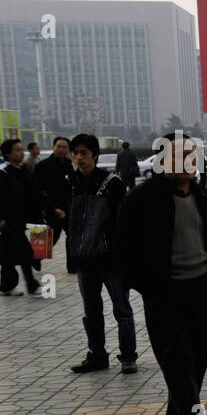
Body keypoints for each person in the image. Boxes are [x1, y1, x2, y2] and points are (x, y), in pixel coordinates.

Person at [114, 132, 207, 415]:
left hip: (203, 293)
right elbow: (123, 248)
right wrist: (145, 285)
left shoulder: (204, 196)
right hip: (164, 295)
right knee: (176, 360)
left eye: (193, 154)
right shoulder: (141, 198)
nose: (189, 161)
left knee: (196, 362)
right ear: (164, 161)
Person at [66, 133, 137, 374]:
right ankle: (97, 355)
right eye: (75, 153)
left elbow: (125, 221)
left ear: (94, 155)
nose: (78, 158)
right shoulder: (71, 182)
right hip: (84, 259)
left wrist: (122, 253)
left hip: (111, 260)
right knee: (91, 311)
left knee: (122, 310)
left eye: (83, 153)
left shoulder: (112, 183)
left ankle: (128, 356)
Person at [0, 138, 41, 295]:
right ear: (8, 154)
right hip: (8, 220)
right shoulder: (3, 171)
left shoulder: (22, 169)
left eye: (21, 149)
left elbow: (34, 191)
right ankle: (32, 284)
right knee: (25, 251)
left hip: (21, 218)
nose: (21, 152)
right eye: (17, 150)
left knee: (9, 255)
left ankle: (6, 286)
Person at [33, 136, 72, 251]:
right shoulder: (42, 166)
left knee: (73, 234)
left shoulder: (69, 165)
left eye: (64, 147)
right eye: (58, 147)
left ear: (68, 150)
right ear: (53, 147)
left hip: (66, 207)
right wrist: (44, 208)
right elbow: (37, 189)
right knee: (46, 240)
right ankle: (33, 257)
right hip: (48, 206)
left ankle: (74, 265)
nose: (61, 149)